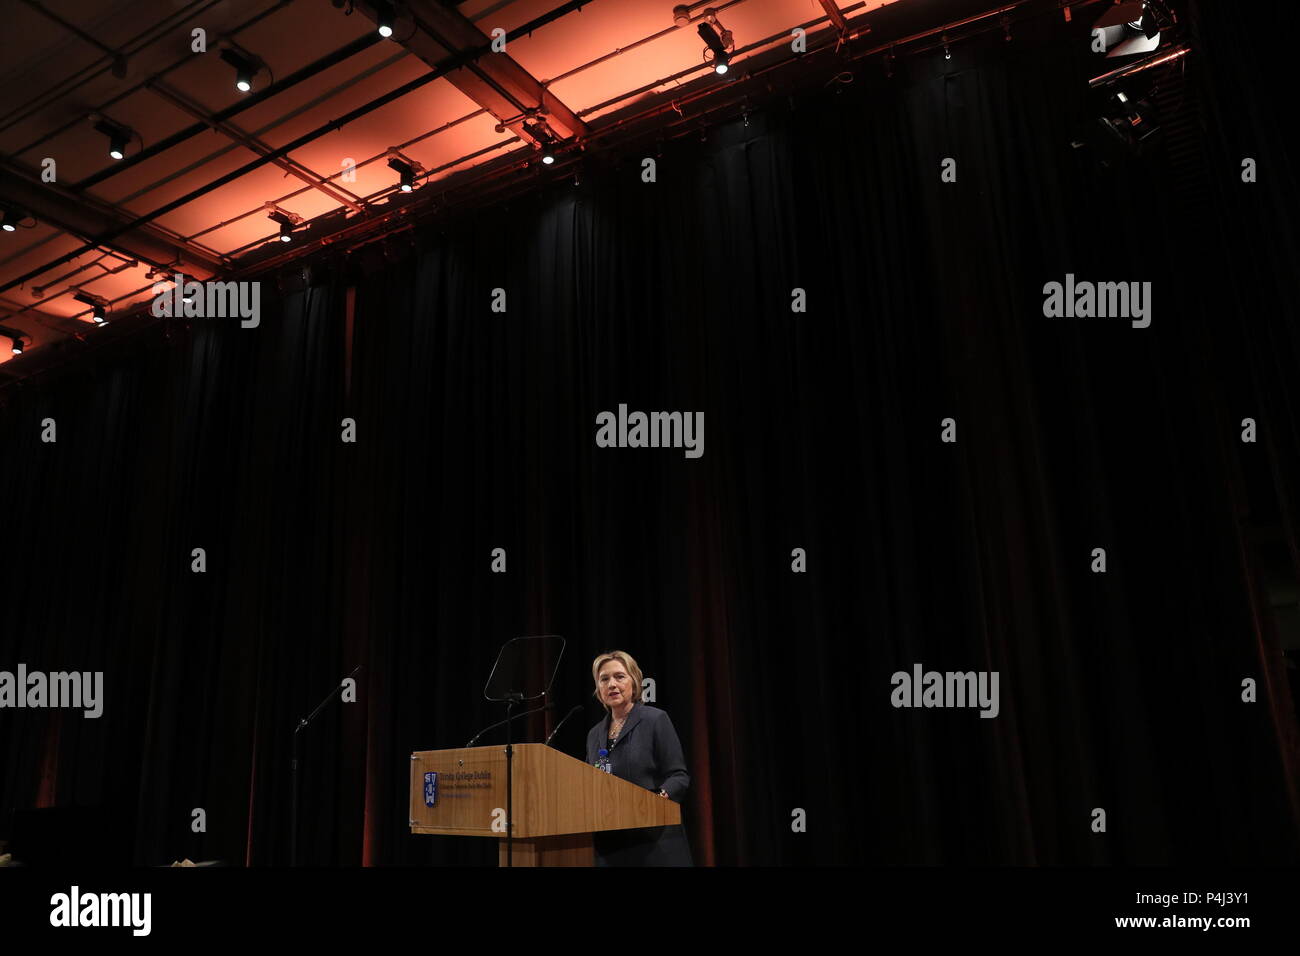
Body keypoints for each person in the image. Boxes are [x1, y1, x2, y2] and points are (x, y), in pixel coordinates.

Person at [584, 650, 693, 866]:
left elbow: (678, 776)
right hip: (610, 843)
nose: (612, 684)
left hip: (654, 838)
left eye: (619, 676)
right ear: (598, 689)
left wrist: (657, 799)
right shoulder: (594, 734)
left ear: (634, 681)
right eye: (604, 679)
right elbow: (590, 783)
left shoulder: (654, 719)